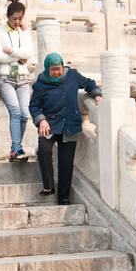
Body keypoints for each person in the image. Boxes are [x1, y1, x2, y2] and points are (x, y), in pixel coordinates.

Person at [30, 53, 102, 204]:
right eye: (53, 69)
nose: (56, 72)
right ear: (47, 69)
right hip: (50, 124)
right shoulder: (41, 83)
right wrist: (41, 121)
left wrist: (96, 94)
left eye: (58, 69)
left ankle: (64, 198)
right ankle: (49, 186)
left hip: (70, 124)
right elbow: (34, 106)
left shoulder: (72, 75)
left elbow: (88, 83)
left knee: (66, 163)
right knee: (44, 150)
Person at [0, 0, 34, 162]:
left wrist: (12, 52)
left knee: (24, 115)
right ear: (7, 17)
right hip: (5, 78)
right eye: (14, 18)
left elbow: (29, 54)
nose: (17, 21)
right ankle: (16, 149)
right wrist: (18, 57)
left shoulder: (24, 31)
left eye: (20, 18)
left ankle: (15, 148)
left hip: (23, 78)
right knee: (15, 112)